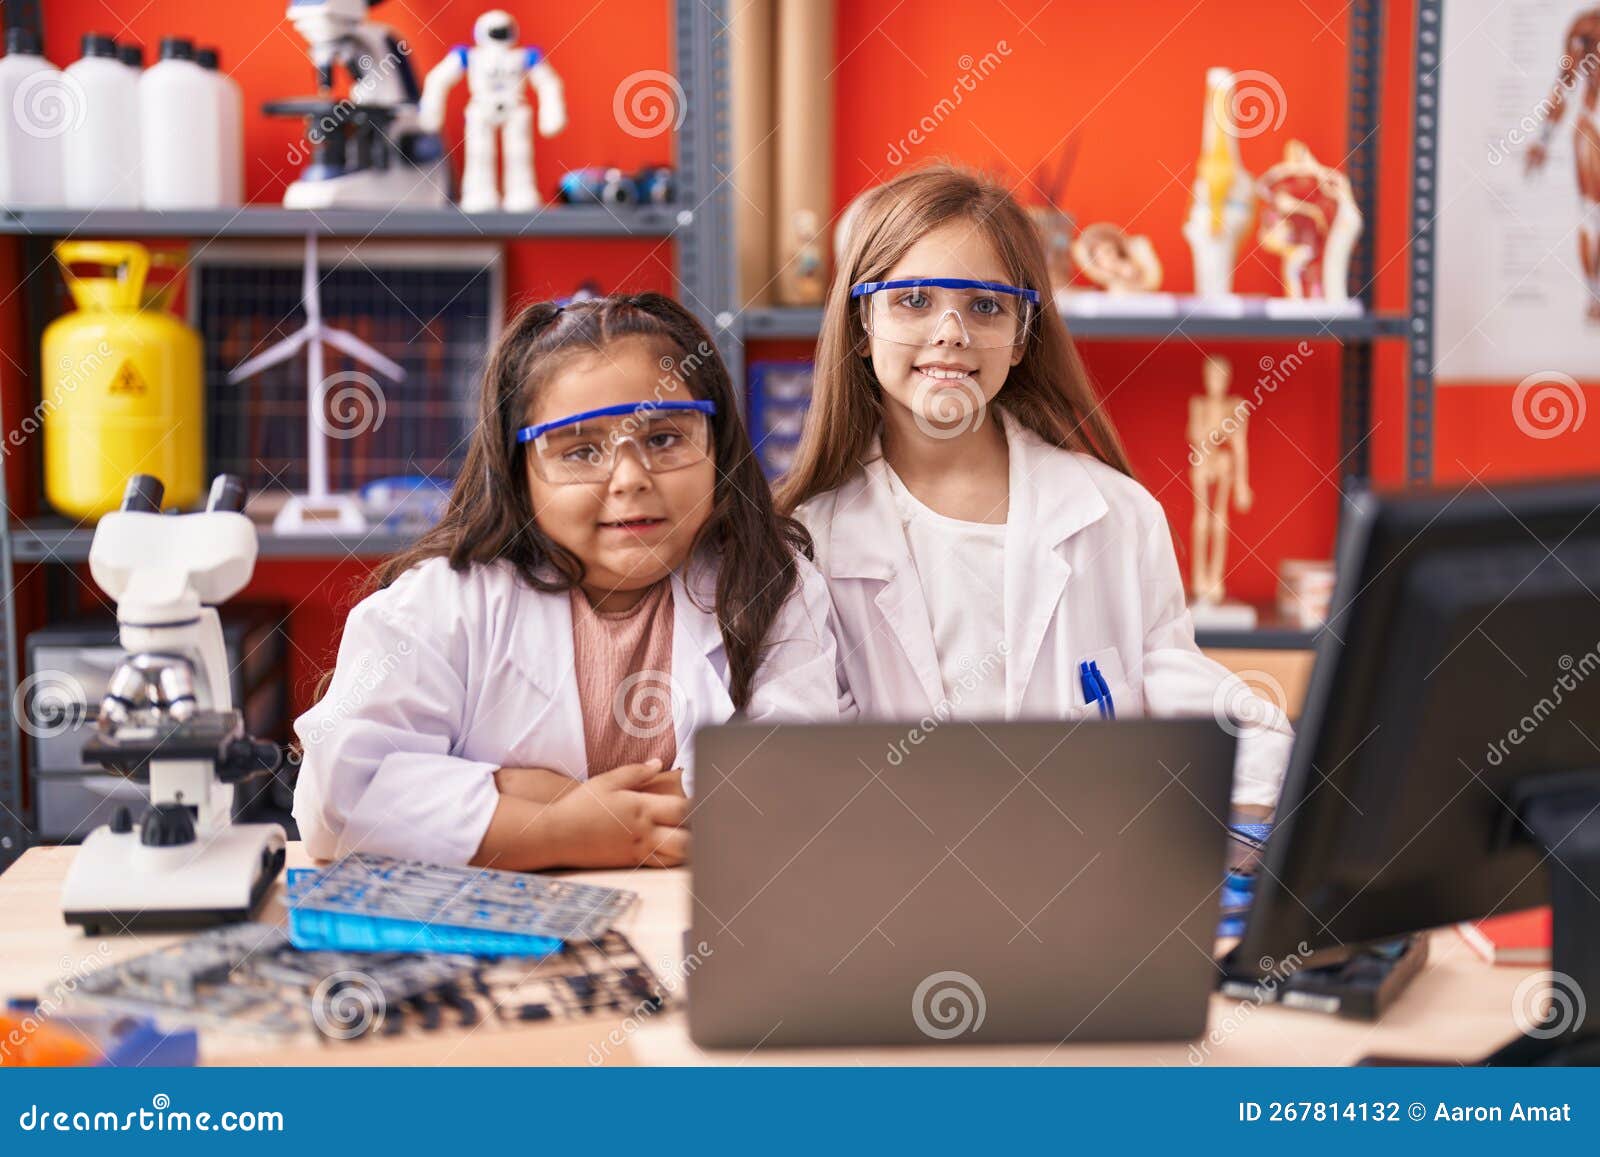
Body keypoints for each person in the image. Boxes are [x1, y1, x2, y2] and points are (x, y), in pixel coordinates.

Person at [776, 164, 1291, 817]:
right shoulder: (806, 541)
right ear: (860, 326)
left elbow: (1179, 688)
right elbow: (796, 764)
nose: (951, 331)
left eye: (985, 306)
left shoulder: (1114, 515)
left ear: (1022, 337)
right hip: (894, 872)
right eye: (914, 300)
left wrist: (1272, 771)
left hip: (1082, 866)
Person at [294, 293, 848, 869]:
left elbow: (794, 782)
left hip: (702, 915)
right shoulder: (445, 602)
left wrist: (520, 794)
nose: (630, 478)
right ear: (518, 473)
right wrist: (563, 830)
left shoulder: (770, 582)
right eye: (581, 451)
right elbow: (338, 797)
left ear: (718, 445)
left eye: (663, 439)